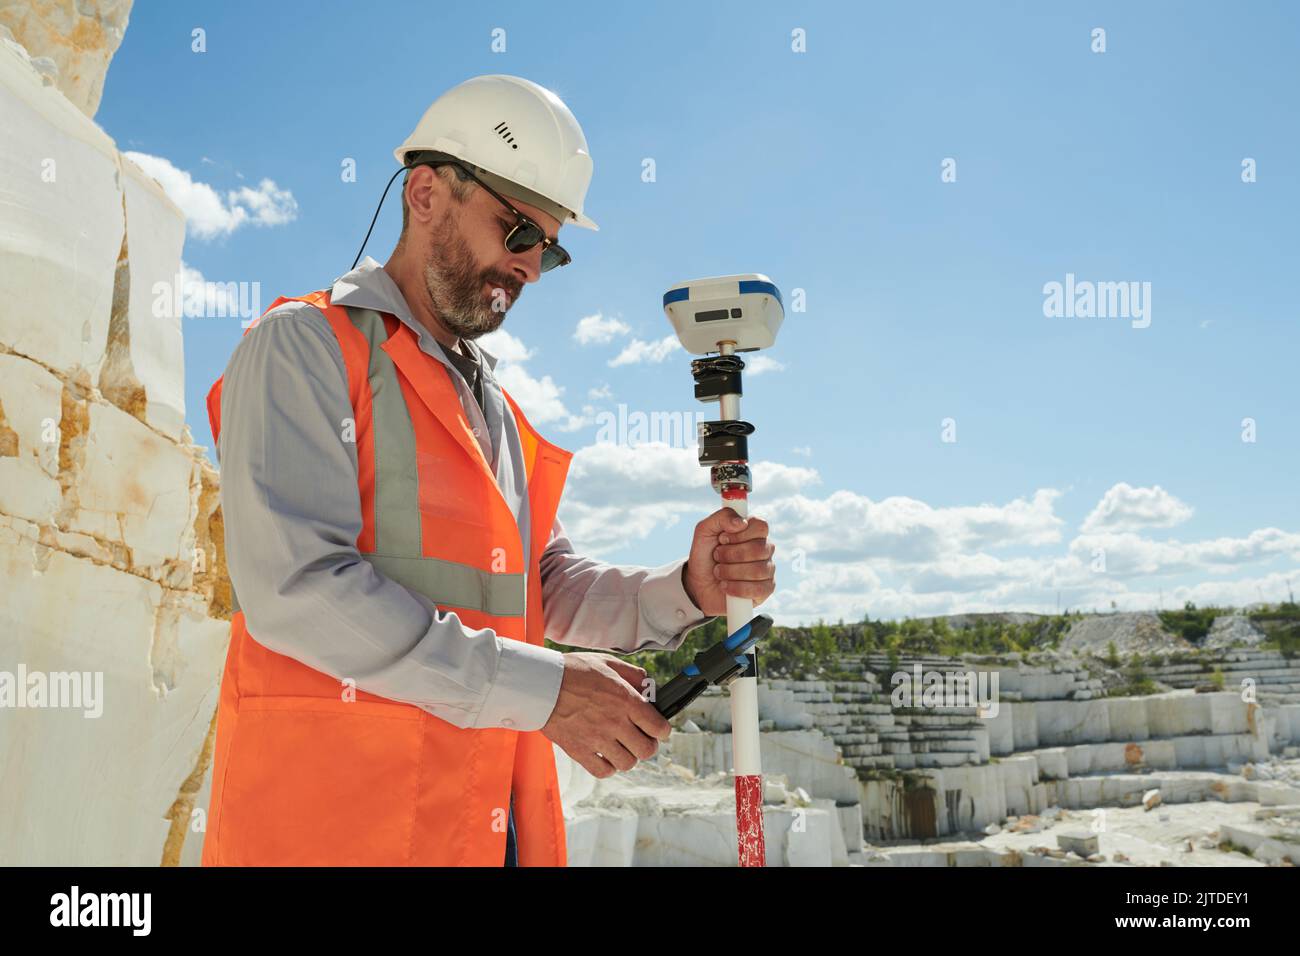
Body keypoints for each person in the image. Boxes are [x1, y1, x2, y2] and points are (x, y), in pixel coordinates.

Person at [200, 75, 776, 867]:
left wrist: (684, 589)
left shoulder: (491, 406)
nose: (532, 268)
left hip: (479, 822)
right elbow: (298, 588)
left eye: (551, 246)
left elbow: (542, 584)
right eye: (516, 231)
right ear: (426, 192)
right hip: (334, 830)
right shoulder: (303, 348)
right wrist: (548, 693)